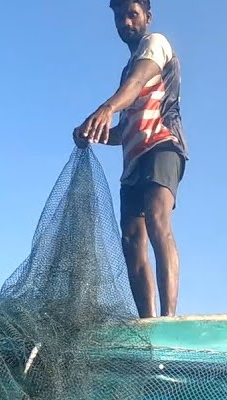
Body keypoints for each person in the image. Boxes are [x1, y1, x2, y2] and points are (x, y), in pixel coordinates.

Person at [74, 0, 187, 318]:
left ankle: (168, 319)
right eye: (119, 16)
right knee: (130, 238)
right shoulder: (127, 69)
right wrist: (92, 131)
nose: (125, 22)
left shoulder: (156, 44)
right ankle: (147, 322)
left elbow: (137, 84)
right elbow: (123, 131)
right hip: (134, 162)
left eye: (132, 14)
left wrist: (106, 108)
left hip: (162, 146)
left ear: (147, 17)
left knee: (157, 220)